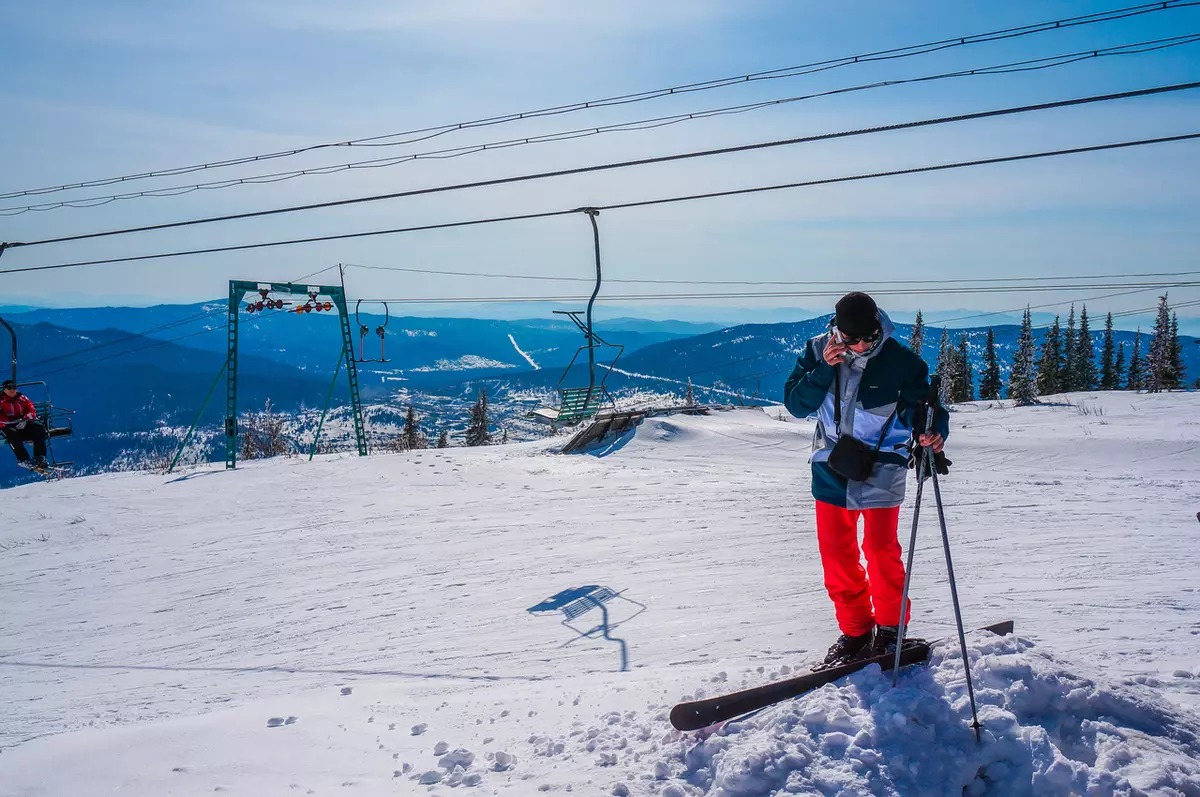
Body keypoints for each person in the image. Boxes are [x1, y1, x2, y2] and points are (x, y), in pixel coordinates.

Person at [784, 292, 949, 667]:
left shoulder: (902, 362)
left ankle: (891, 631)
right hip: (831, 465)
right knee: (837, 556)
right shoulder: (816, 352)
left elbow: (927, 409)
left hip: (883, 465)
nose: (861, 345)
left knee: (879, 550)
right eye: (852, 338)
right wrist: (824, 368)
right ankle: (856, 632)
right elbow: (795, 405)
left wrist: (933, 433)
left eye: (869, 337)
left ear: (879, 326)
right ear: (837, 331)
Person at [1, 379, 49, 470]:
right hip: (8, 425)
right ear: (4, 389)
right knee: (12, 434)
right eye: (9, 388)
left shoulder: (22, 398)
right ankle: (23, 459)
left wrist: (25, 419)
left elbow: (31, 410)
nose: (12, 390)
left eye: (14, 387)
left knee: (38, 427)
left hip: (23, 423)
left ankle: (40, 457)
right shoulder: (1, 401)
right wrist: (10, 421)